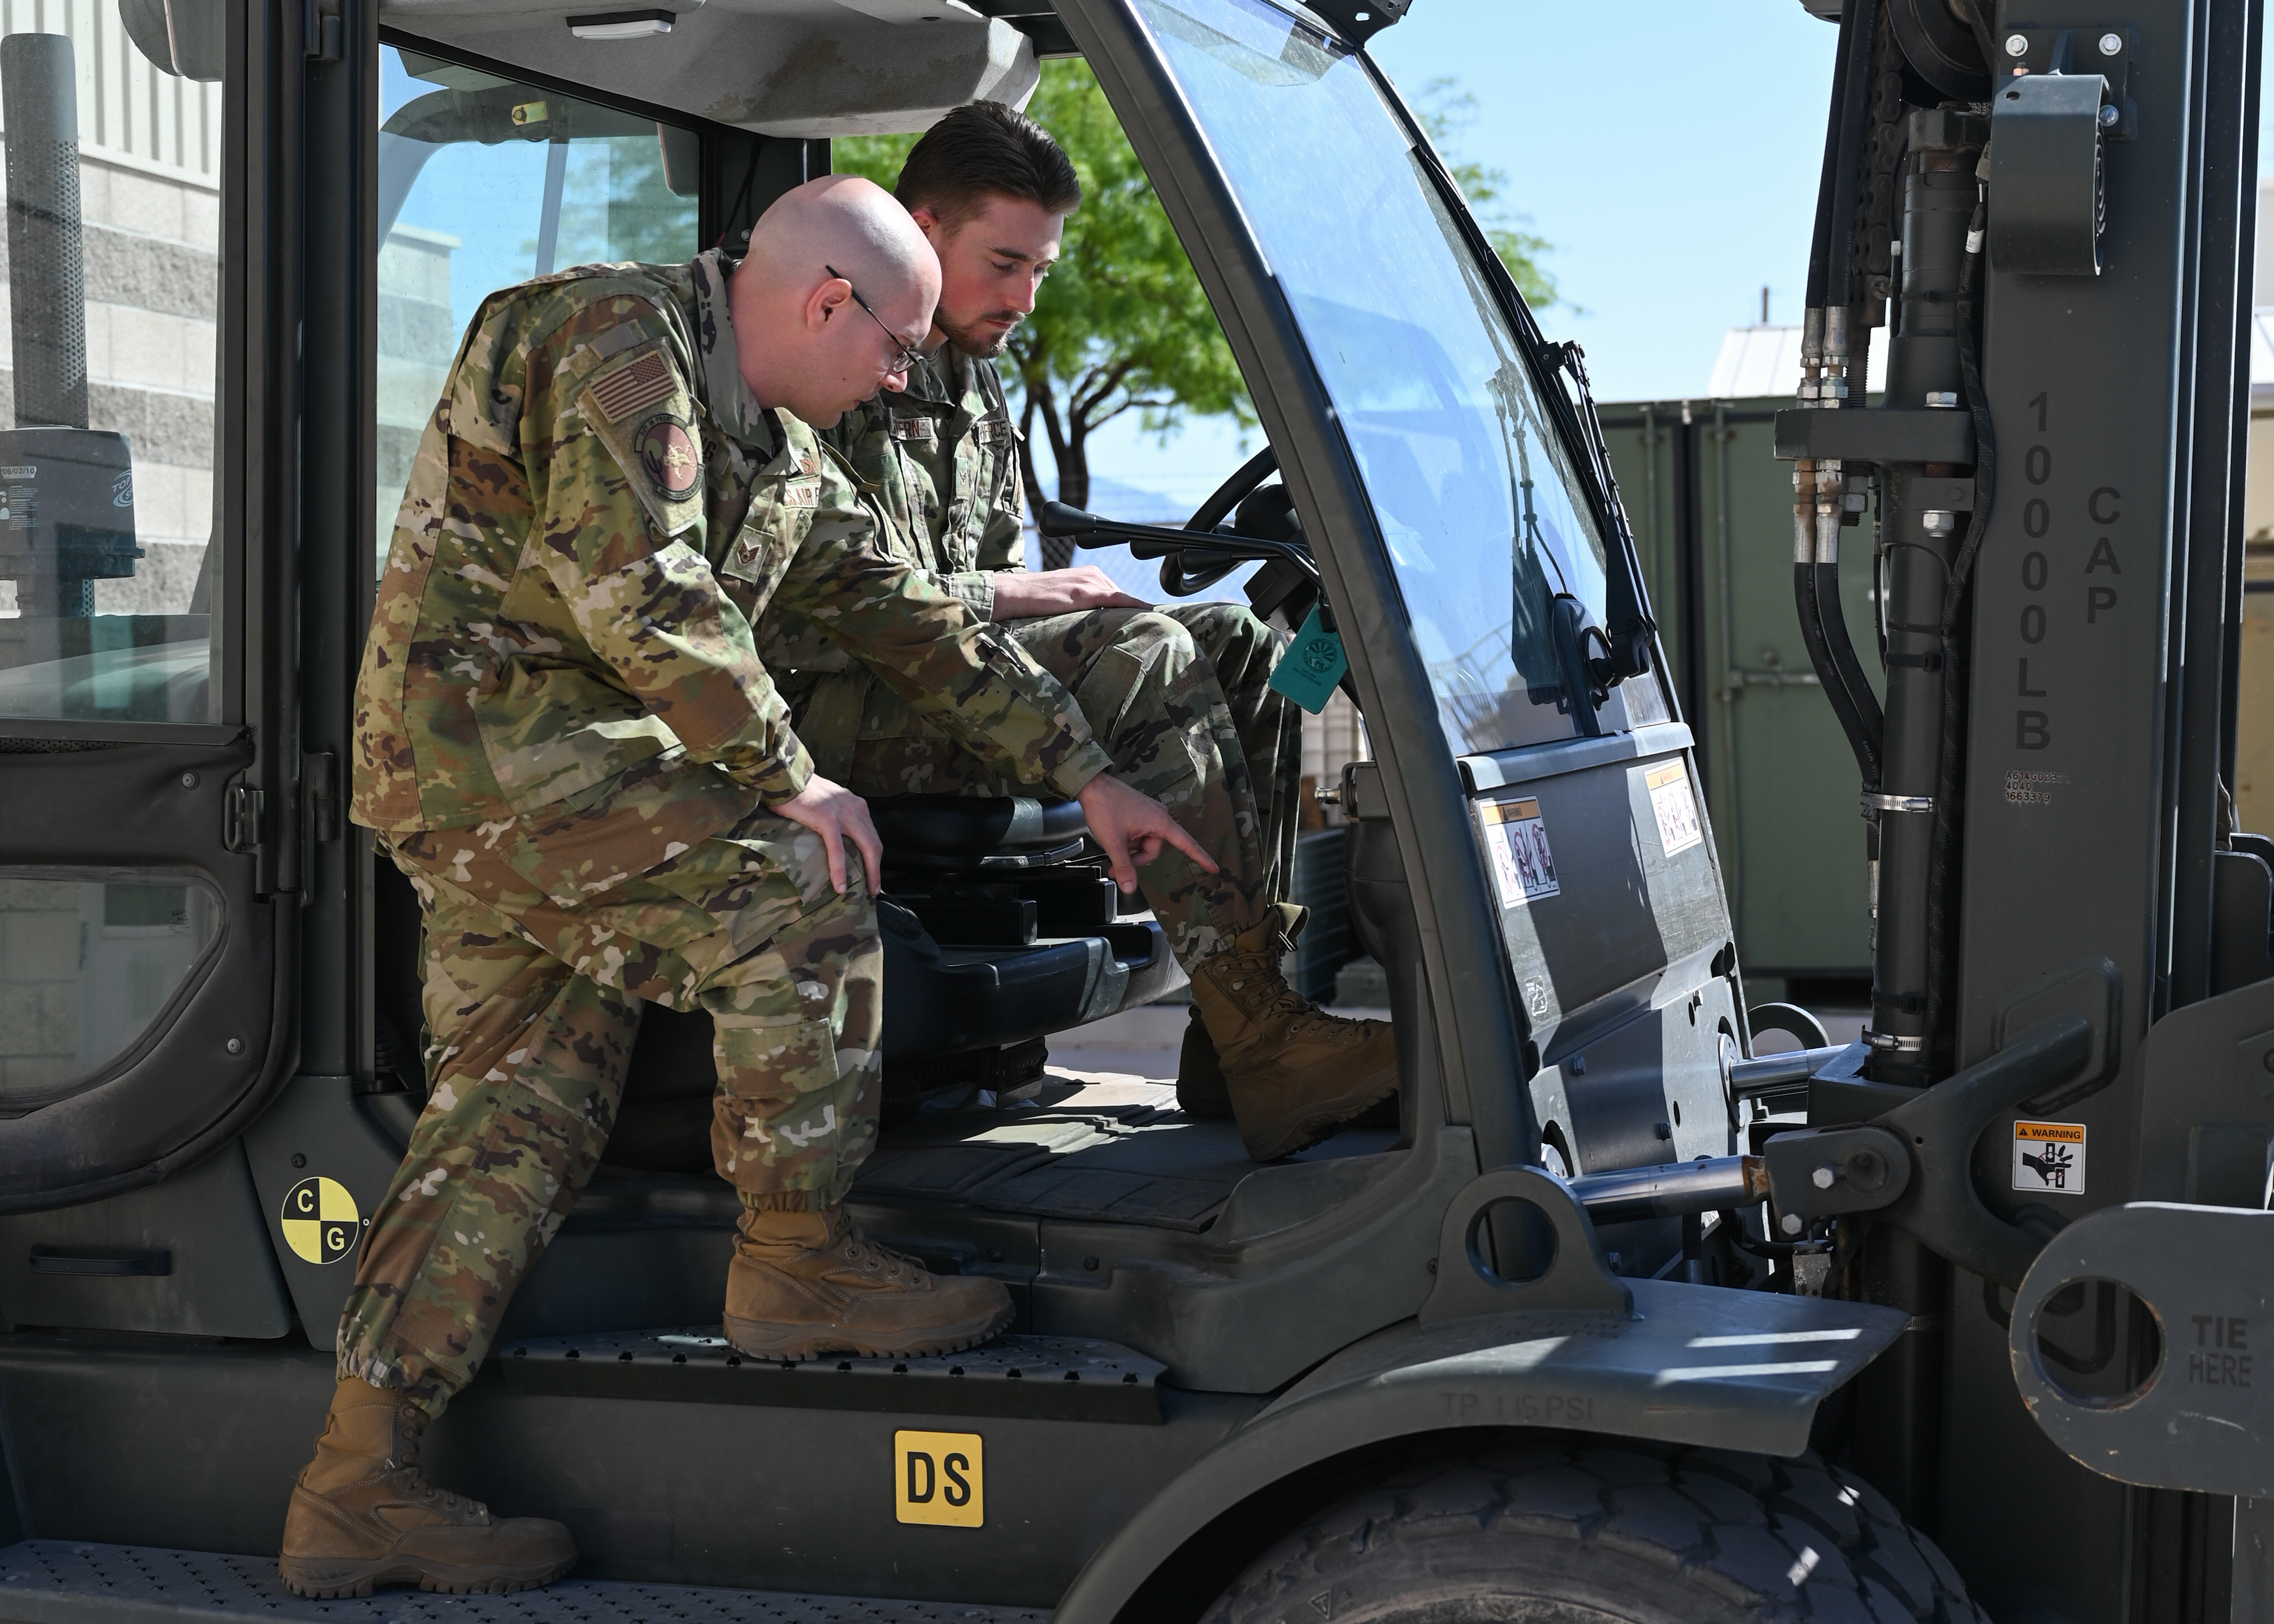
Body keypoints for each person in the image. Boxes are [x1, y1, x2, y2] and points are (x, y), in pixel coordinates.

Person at [279, 176, 1213, 1600]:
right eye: (896, 346)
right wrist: (789, 774)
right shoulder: (610, 337)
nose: (908, 374)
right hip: (492, 755)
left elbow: (898, 612)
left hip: (567, 784)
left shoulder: (777, 443)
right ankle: (794, 1263)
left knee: (512, 1122)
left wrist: (1083, 772)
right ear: (824, 301)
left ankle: (356, 1486)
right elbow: (638, 588)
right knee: (801, 876)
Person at [780, 102, 1396, 1163]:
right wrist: (1018, 597)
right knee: (1147, 656)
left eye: (1041, 271)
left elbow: (983, 567)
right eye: (1004, 262)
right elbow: (839, 603)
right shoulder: (832, 361)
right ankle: (1263, 1038)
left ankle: (1240, 1018)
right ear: (919, 231)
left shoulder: (974, 389)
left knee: (1241, 645)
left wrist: (1041, 594)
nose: (1024, 298)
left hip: (941, 671)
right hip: (834, 698)